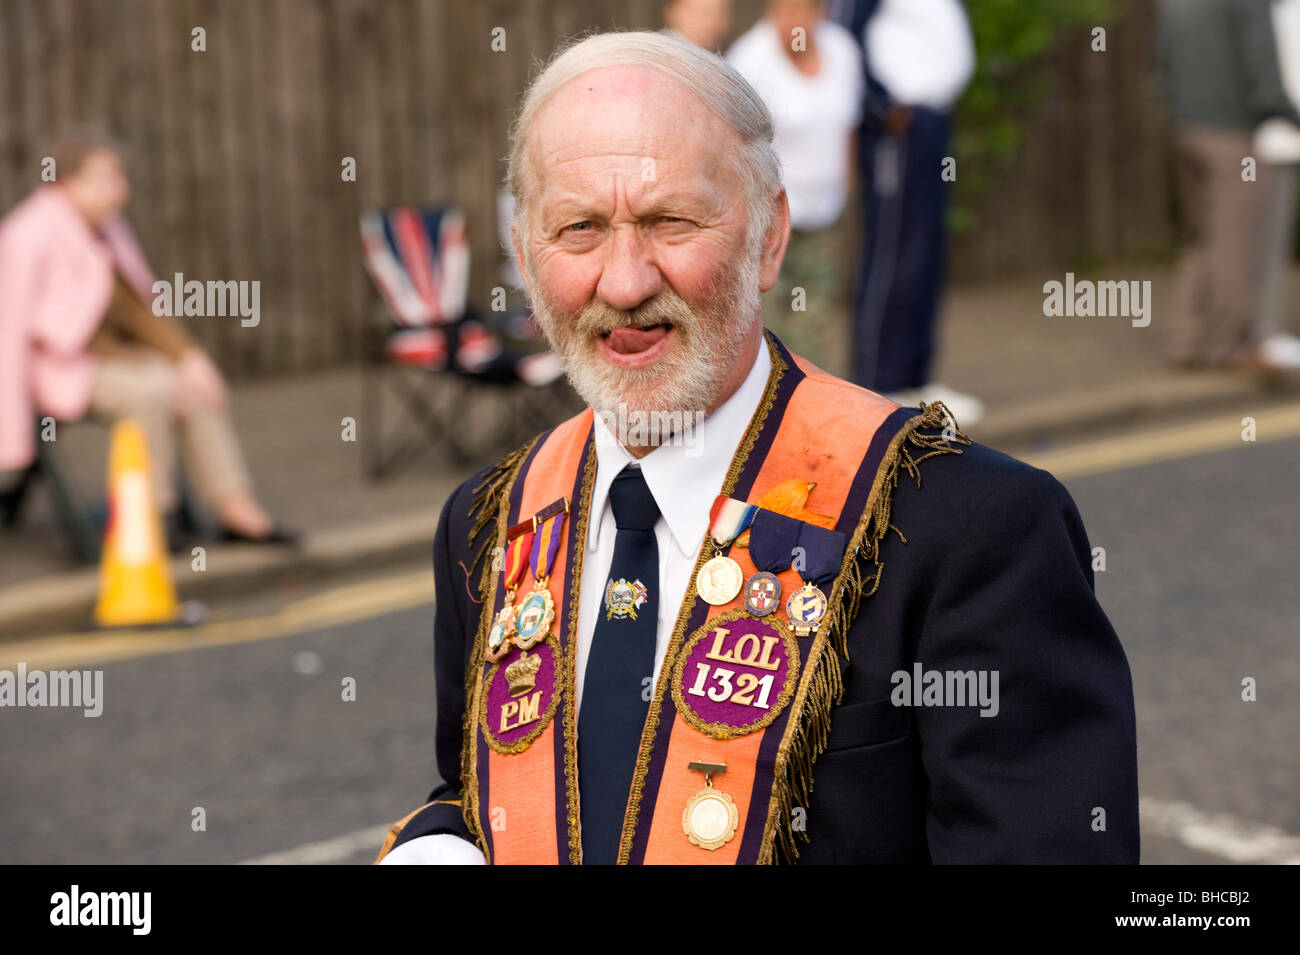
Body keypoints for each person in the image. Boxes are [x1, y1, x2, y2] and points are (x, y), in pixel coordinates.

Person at [376, 30, 1138, 865]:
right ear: (525, 255)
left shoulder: (974, 528)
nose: (625, 283)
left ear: (770, 237)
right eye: (580, 228)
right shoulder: (489, 524)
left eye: (670, 220)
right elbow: (478, 791)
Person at [0, 134, 290, 544]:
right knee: (148, 396)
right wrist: (10, 426)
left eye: (121, 178)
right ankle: (153, 516)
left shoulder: (108, 229)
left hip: (112, 358)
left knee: (192, 387)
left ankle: (235, 505)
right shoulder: (25, 236)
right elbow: (7, 334)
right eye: (107, 179)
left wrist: (189, 356)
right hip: (55, 369)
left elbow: (141, 306)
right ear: (65, 182)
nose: (122, 190)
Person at [835, 0, 983, 426]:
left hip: (932, 119)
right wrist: (880, 106)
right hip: (897, 125)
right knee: (892, 250)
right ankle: (878, 381)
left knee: (925, 250)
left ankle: (915, 378)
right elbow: (846, 33)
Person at [1157, 0, 1300, 372]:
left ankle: (1187, 339)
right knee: (1237, 242)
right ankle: (1228, 346)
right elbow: (1265, 79)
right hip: (1234, 134)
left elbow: (1160, 68)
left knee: (1201, 237)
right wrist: (1291, 115)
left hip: (1186, 129)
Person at [725, 0, 864, 376]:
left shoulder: (843, 50)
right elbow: (737, 142)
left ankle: (812, 396)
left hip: (826, 211)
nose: (795, 22)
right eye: (785, 11)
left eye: (805, 11)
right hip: (770, 216)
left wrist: (846, 185)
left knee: (817, 314)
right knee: (771, 314)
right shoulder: (750, 58)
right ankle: (769, 397)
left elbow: (849, 126)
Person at [662, 0, 733, 52]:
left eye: (723, 12)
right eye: (705, 12)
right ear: (674, 12)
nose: (715, 20)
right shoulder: (662, 57)